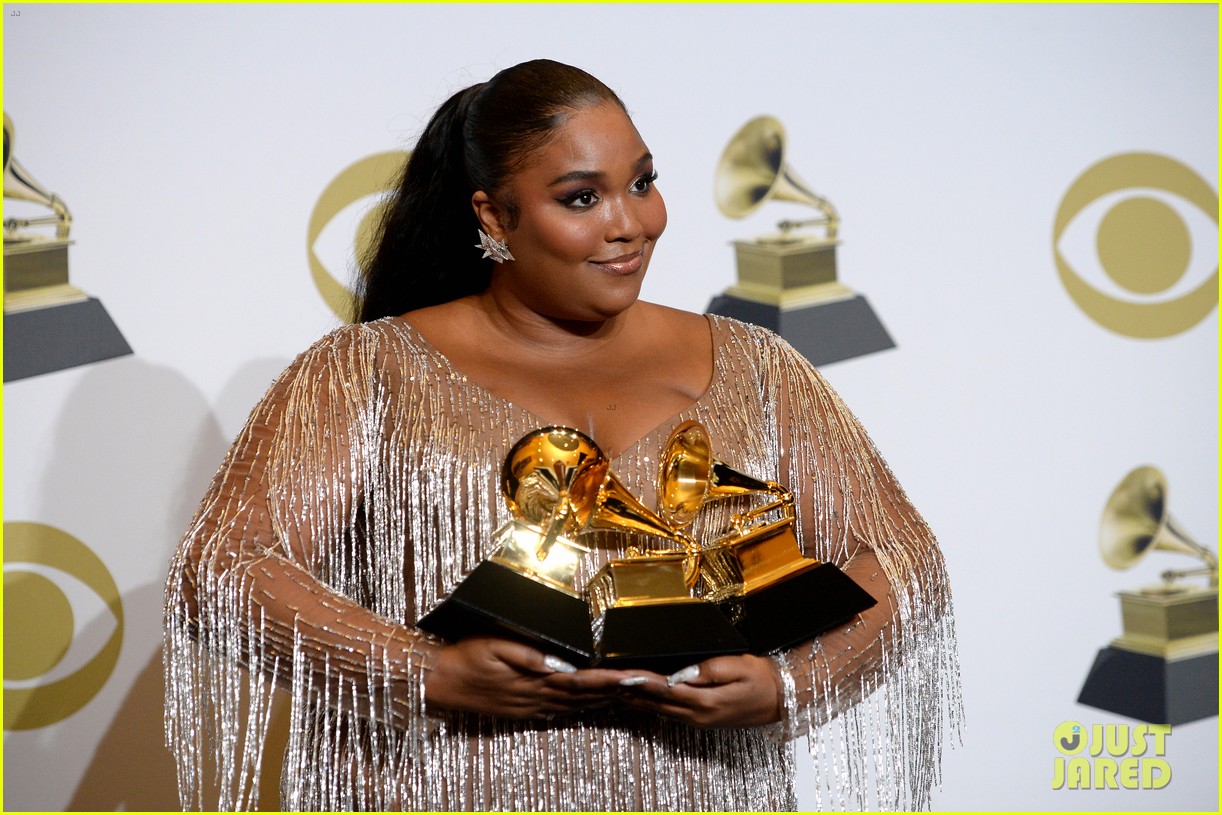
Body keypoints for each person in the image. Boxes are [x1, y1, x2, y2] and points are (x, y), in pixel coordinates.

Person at [164, 59, 961, 812]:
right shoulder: (368, 369)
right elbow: (221, 567)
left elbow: (903, 559)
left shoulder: (758, 366)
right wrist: (427, 671)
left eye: (643, 183)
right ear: (494, 216)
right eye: (582, 198)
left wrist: (789, 685)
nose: (631, 224)